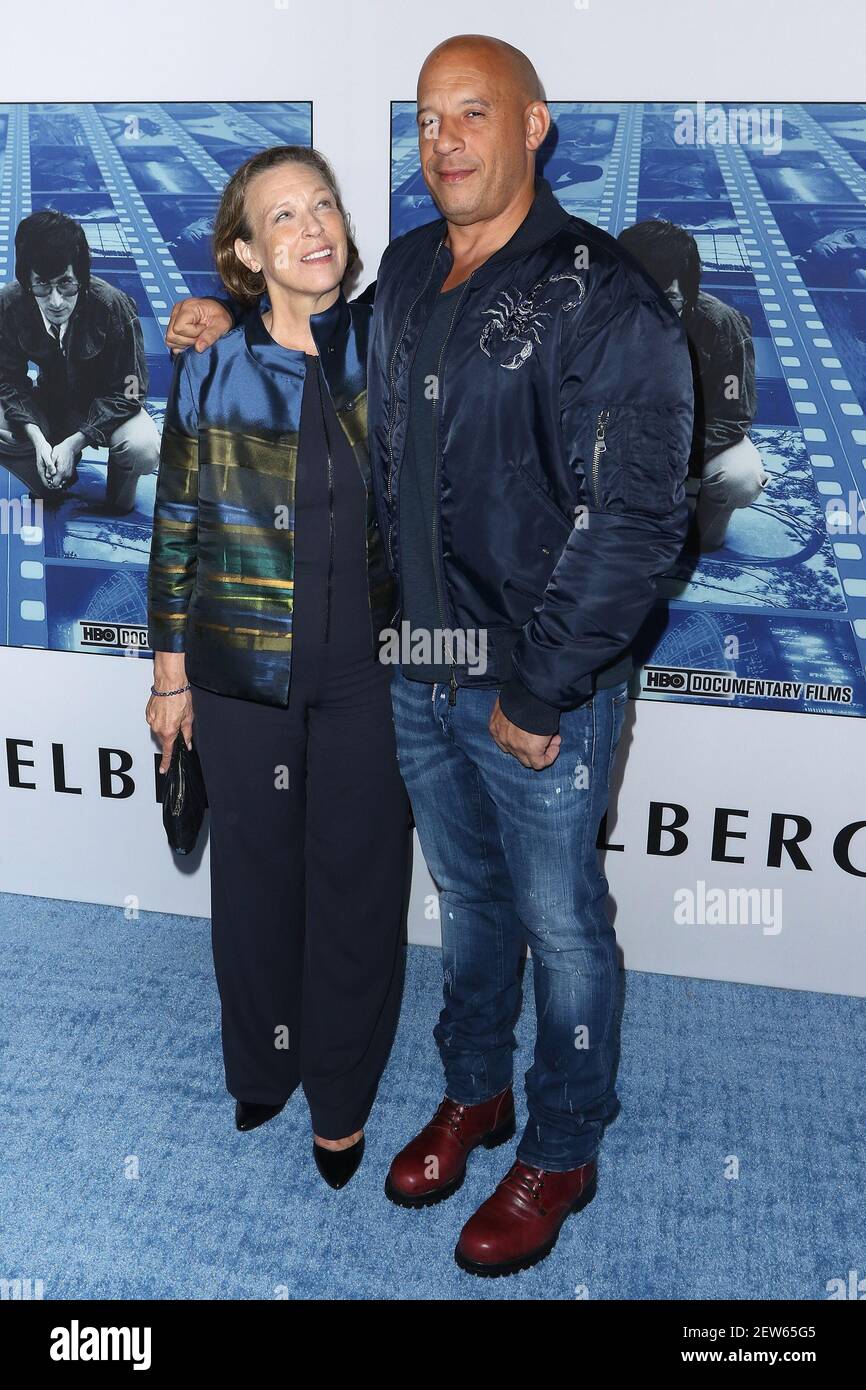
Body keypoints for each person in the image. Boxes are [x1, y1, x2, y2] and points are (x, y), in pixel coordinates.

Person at [164, 34, 694, 1276]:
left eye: (472, 114)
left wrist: (541, 684)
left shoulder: (603, 294)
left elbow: (636, 522)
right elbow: (309, 354)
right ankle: (476, 1093)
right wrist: (219, 322)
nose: (444, 140)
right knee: (467, 910)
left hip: (536, 683)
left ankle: (561, 1147)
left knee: (563, 927)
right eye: (425, 120)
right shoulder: (404, 270)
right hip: (414, 666)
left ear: (534, 126)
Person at [146, 145, 411, 1190]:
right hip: (236, 675)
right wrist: (169, 681)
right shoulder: (209, 368)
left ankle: (339, 1098)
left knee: (359, 883)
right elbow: (175, 532)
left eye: (325, 206)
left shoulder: (384, 342)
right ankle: (263, 1060)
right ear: (247, 254)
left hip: (369, 676)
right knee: (254, 884)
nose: (313, 226)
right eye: (283, 216)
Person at [618, 218, 767, 551]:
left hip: (689, 440)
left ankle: (698, 523)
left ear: (687, 290)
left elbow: (733, 418)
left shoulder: (722, 326)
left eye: (667, 298)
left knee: (740, 477)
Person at [0, 210, 158, 514]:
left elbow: (132, 392)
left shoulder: (113, 307)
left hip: (107, 408)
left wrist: (76, 443)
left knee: (143, 446)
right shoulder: (9, 306)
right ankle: (49, 474)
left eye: (66, 284)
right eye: (42, 285)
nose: (56, 301)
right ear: (27, 280)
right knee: (44, 479)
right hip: (48, 404)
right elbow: (7, 381)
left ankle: (118, 491)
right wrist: (37, 440)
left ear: (81, 279)